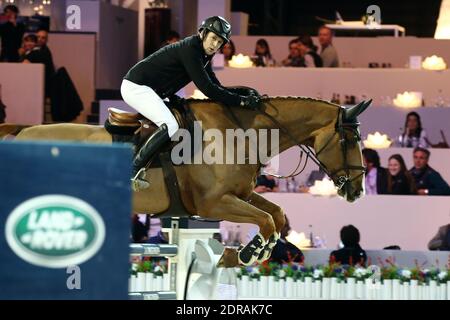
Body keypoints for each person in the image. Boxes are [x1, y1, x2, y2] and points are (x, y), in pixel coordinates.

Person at [121, 16, 261, 191]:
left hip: (154, 91)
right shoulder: (191, 49)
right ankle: (132, 171)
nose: (215, 45)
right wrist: (241, 101)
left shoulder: (203, 54)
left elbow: (216, 86)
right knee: (170, 126)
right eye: (213, 38)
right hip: (136, 87)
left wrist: (243, 92)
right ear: (202, 33)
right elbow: (207, 89)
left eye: (220, 42)